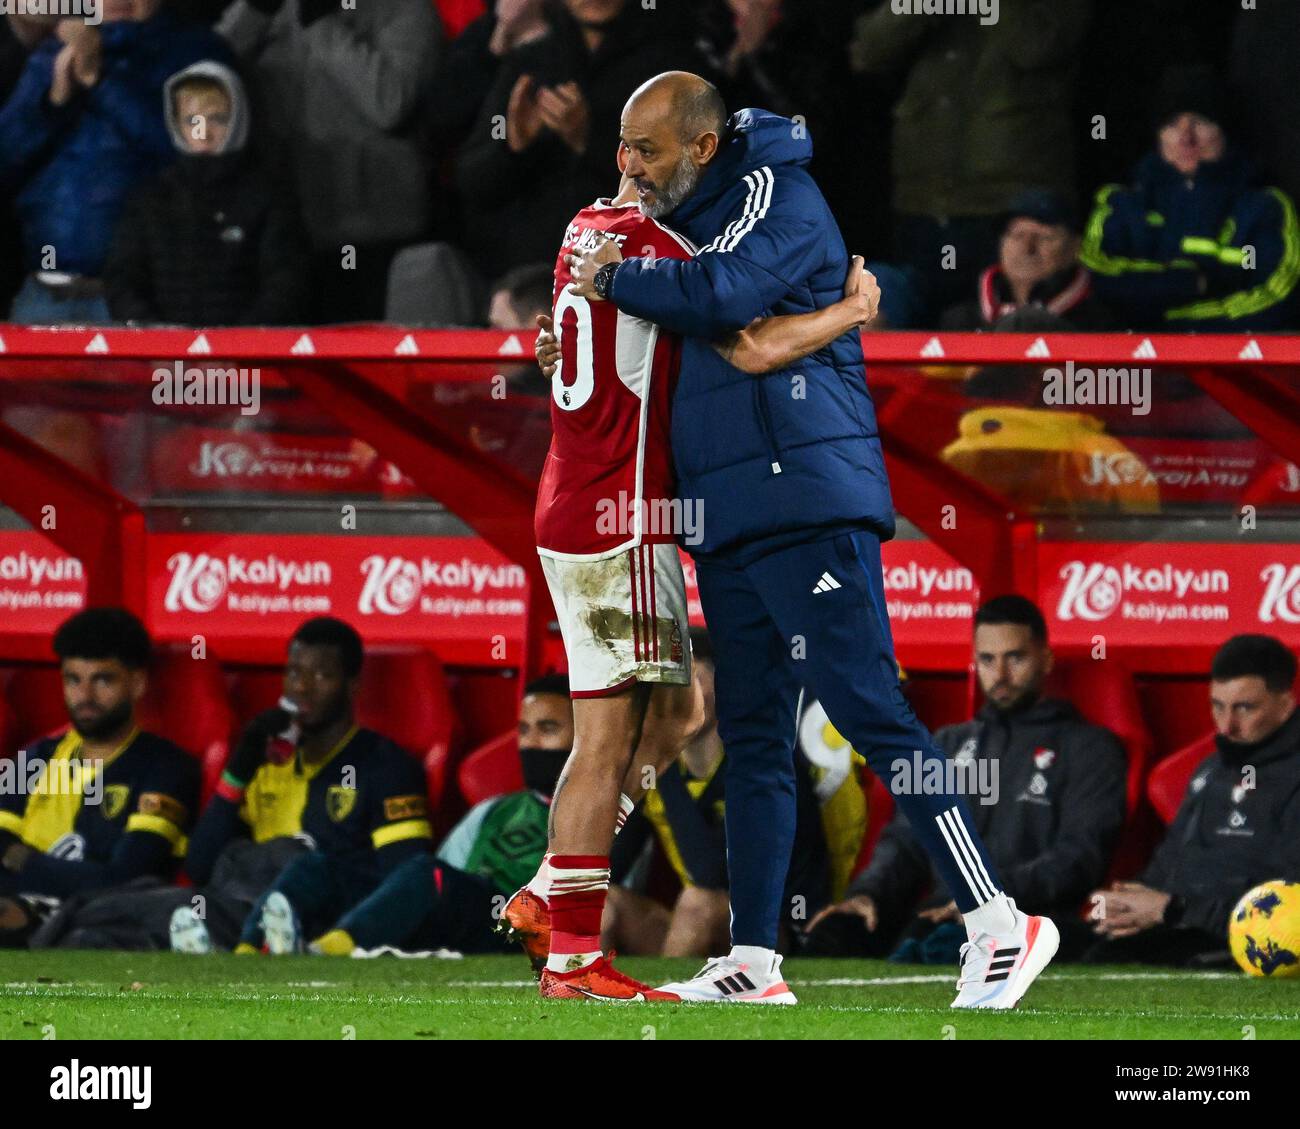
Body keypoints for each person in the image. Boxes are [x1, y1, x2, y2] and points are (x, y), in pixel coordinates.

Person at [566, 70, 1059, 1008]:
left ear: (702, 147)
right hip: (729, 510)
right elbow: (709, 327)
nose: (626, 165)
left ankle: (999, 919)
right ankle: (755, 956)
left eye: (646, 149)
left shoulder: (775, 192)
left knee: (872, 711)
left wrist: (616, 276)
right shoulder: (682, 221)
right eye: (622, 146)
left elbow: (723, 295)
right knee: (755, 737)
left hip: (804, 498)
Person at [505, 150, 881, 1001]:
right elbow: (748, 344)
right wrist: (853, 308)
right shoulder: (664, 253)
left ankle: (543, 887)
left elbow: (569, 341)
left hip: (578, 495)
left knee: (679, 710)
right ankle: (569, 957)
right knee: (603, 740)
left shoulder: (583, 232)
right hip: (621, 517)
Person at [804, 596, 1128, 963]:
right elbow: (906, 841)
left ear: (1046, 659)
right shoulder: (947, 743)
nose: (1000, 675)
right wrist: (867, 895)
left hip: (1029, 920)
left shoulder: (1090, 748)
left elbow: (1079, 858)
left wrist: (987, 897)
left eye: (1015, 658)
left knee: (937, 943)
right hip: (942, 913)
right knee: (836, 933)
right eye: (988, 660)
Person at [169, 617, 434, 954]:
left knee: (296, 861)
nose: (303, 688)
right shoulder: (265, 764)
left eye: (322, 675)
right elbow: (200, 866)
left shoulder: (385, 766)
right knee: (161, 902)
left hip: (324, 913)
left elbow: (402, 877)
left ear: (353, 686)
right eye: (294, 674)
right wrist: (239, 769)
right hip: (241, 905)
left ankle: (261, 941)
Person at [263, 674, 573, 956]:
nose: (531, 743)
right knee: (318, 867)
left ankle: (330, 951)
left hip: (522, 930)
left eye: (548, 729)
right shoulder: (493, 810)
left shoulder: (602, 815)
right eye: (523, 730)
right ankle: (253, 950)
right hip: (465, 920)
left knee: (430, 874)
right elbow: (446, 875)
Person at [848, 0, 1092, 316]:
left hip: (1010, 209)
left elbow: (1038, 44)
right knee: (919, 341)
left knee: (1007, 336)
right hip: (924, 203)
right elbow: (868, 50)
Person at [0, 0, 232, 323]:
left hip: (146, 298)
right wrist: (52, 103)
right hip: (43, 294)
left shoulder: (197, 55)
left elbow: (204, 162)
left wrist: (101, 83)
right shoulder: (52, 54)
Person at [216, 0, 442, 321]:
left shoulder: (405, 10)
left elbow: (389, 102)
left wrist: (320, 23)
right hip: (286, 228)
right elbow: (208, 71)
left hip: (375, 230)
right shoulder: (275, 12)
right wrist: (254, 11)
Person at [1082, 635, 1300, 967]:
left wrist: (1173, 909)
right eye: (1217, 706)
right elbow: (1172, 863)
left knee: (1108, 960)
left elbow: (1286, 901)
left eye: (1245, 708)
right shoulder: (1210, 770)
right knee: (1067, 940)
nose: (1227, 725)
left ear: (1285, 704)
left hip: (1235, 940)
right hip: (1178, 924)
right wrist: (1130, 900)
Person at [454, 0, 712, 280]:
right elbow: (472, 180)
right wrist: (512, 147)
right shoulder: (530, 62)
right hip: (527, 271)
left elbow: (690, 181)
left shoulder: (671, 67)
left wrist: (586, 138)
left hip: (637, 269)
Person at [0, 608, 198, 947]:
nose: (85, 696)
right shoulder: (34, 758)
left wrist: (23, 859)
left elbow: (126, 877)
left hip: (101, 925)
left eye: (103, 680)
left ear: (137, 684)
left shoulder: (166, 767)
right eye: (73, 680)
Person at [1081, 64, 1300, 332]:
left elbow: (1276, 298)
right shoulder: (1121, 202)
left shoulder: (1266, 207)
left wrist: (1171, 324)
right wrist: (1190, 282)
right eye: (1172, 124)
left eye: (1201, 121)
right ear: (1158, 136)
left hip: (1231, 369)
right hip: (1131, 371)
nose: (1186, 137)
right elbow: (1098, 279)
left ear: (1225, 131)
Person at [104, 60, 310, 325]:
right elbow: (123, 279)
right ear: (176, 123)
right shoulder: (149, 197)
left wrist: (235, 345)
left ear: (238, 119)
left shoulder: (268, 195)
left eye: (217, 119)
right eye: (192, 120)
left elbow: (286, 283)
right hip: (164, 359)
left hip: (245, 360)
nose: (203, 132)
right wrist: (157, 336)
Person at [941, 189, 1113, 332]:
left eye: (1045, 238)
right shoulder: (960, 321)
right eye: (1017, 235)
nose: (1027, 248)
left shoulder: (1098, 324)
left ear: (1074, 248)